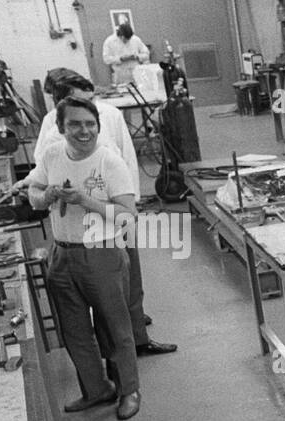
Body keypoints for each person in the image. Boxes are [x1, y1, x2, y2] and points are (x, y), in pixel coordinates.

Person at [23, 73, 176, 357]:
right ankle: (111, 352)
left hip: (114, 213)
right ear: (61, 104)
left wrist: (133, 205)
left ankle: (138, 340)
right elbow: (41, 170)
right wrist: (45, 194)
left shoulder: (110, 115)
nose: (89, 109)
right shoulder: (51, 124)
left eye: (91, 99)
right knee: (98, 295)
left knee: (130, 282)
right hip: (78, 226)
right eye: (80, 101)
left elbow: (127, 157)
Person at [28, 97, 143, 421]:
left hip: (102, 253)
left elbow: (126, 215)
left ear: (98, 126)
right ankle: (96, 389)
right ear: (61, 127)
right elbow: (33, 196)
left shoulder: (109, 161)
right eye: (75, 124)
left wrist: (85, 200)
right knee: (74, 330)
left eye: (90, 124)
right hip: (62, 253)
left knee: (115, 328)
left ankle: (128, 390)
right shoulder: (52, 155)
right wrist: (46, 195)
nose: (84, 130)